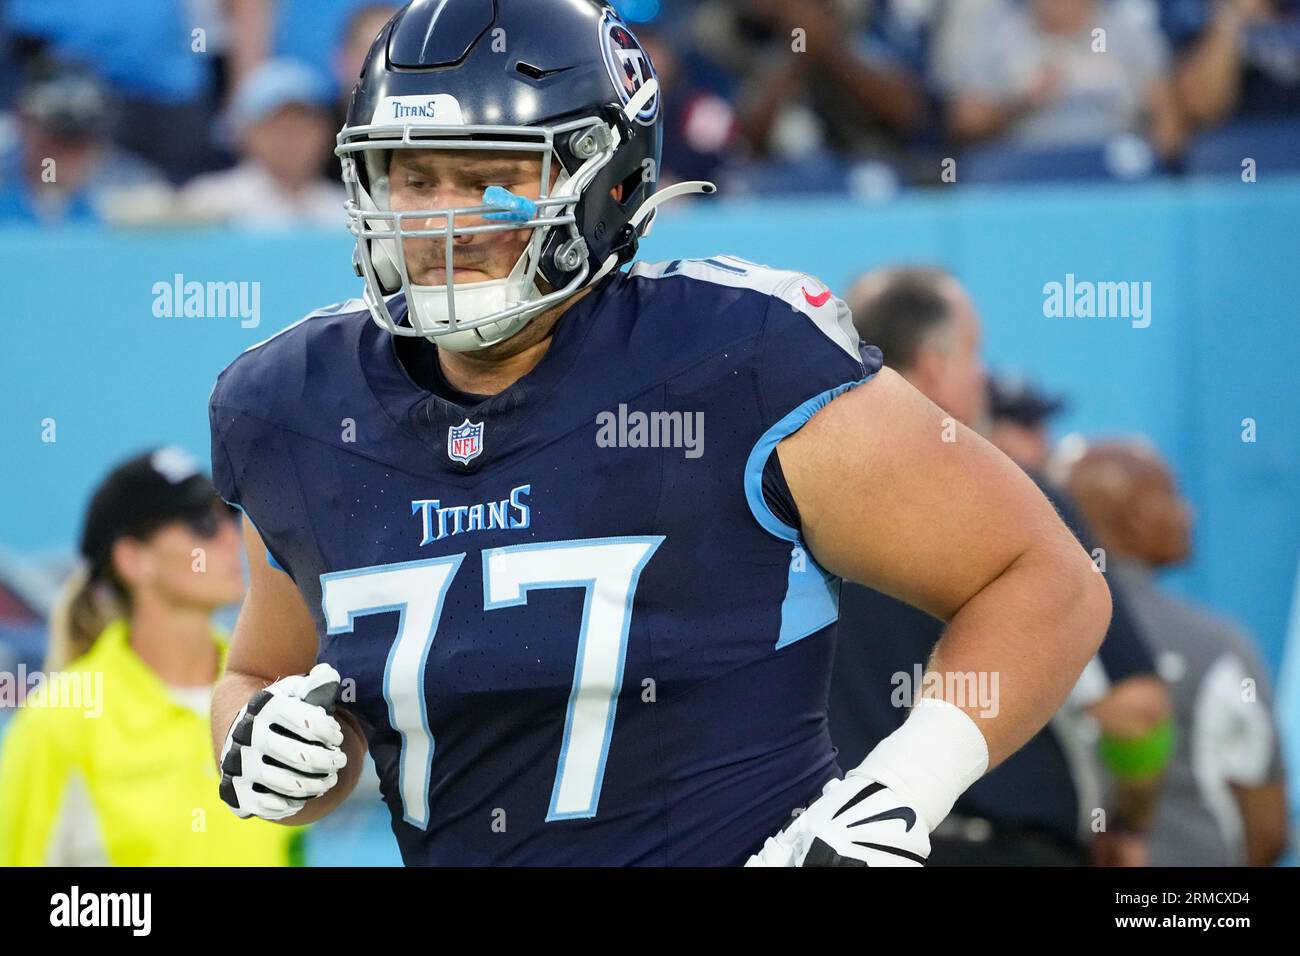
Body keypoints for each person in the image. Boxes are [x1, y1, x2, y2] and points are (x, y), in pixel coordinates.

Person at [208, 0, 1110, 867]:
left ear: (610, 181)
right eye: (414, 178)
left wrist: (906, 786)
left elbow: (1044, 578)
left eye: (493, 177)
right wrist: (270, 750)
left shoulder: (737, 359)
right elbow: (265, 679)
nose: (447, 220)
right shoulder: (295, 406)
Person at [828, 266, 1171, 866]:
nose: (981, 376)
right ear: (935, 365)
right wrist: (1127, 824)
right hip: (1013, 849)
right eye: (974, 352)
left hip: (842, 848)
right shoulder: (1022, 504)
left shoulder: (788, 502)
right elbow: (1138, 714)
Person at [0, 448, 302, 865]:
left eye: (230, 517)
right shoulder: (57, 723)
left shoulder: (270, 697)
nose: (232, 539)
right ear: (132, 559)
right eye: (203, 524)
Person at [1060, 439, 1289, 866]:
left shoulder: (1035, 630)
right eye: (1172, 495)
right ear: (1133, 518)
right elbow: (1268, 826)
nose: (1189, 513)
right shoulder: (1215, 646)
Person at [179, 59, 344, 229]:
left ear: (326, 134)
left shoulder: (346, 210)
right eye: (276, 127)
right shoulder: (208, 203)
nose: (289, 140)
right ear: (246, 133)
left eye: (301, 128)